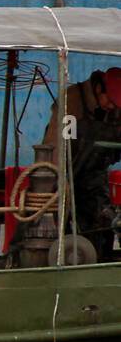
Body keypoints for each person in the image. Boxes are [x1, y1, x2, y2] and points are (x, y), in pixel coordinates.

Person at [41, 66, 121, 260]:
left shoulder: (116, 109)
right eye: (110, 101)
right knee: (55, 229)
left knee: (103, 225)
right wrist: (60, 184)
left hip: (95, 178)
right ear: (98, 88)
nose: (112, 107)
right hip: (63, 176)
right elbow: (55, 147)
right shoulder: (72, 102)